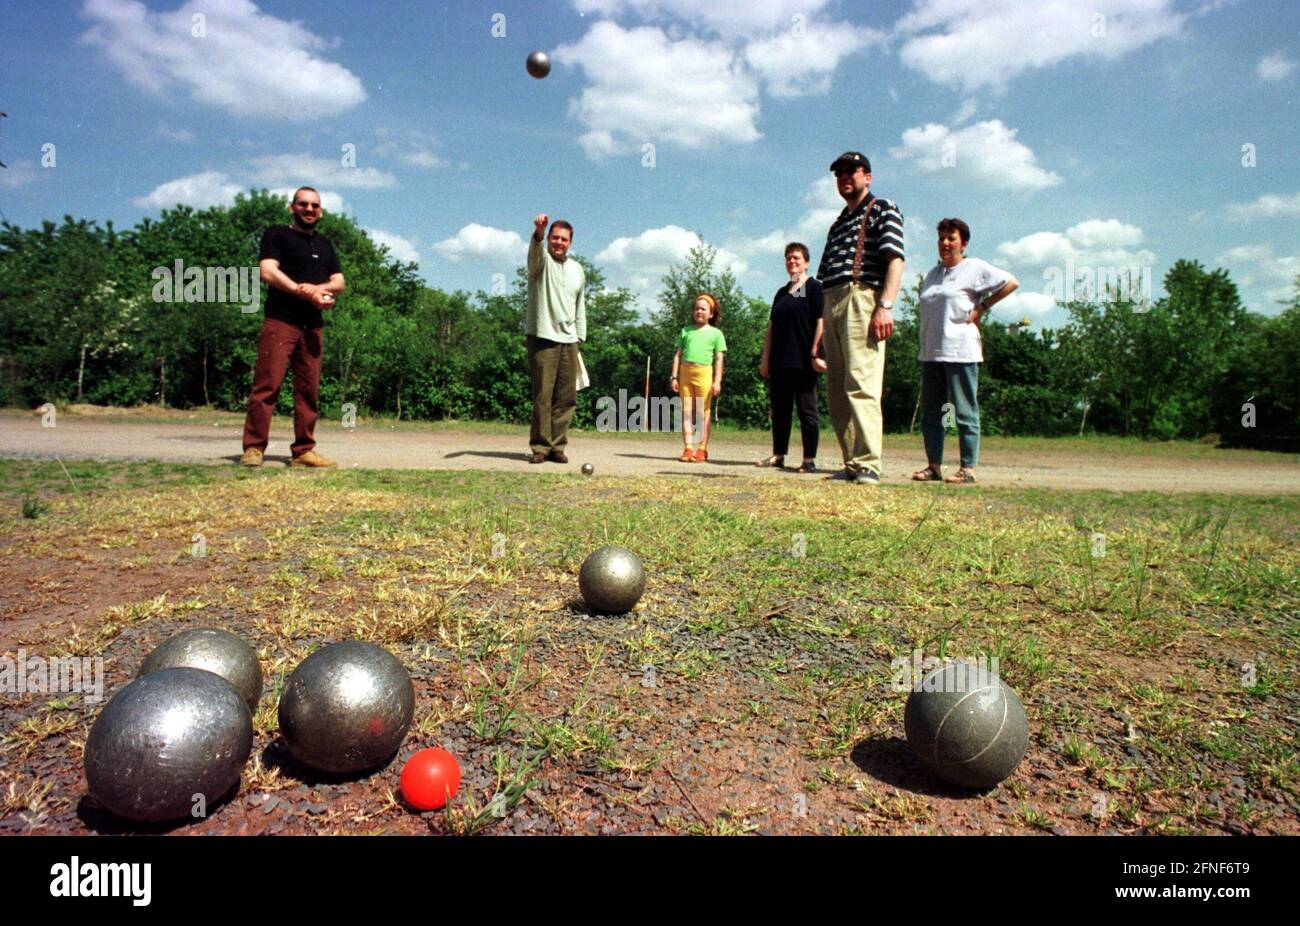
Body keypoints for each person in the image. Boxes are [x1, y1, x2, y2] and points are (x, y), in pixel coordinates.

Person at [815, 151, 905, 485]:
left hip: (862, 297)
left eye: (852, 171)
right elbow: (824, 277)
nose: (845, 178)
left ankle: (869, 462)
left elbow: (895, 260)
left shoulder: (882, 208)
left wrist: (886, 305)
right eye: (839, 173)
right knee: (837, 388)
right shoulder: (838, 224)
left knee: (861, 382)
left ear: (868, 176)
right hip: (832, 300)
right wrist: (821, 331)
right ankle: (852, 462)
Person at [240, 186, 344, 468]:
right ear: (292, 207)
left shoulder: (324, 245)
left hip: (312, 326)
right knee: (267, 386)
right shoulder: (277, 234)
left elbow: (339, 282)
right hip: (280, 321)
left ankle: (303, 451)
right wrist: (303, 292)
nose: (309, 210)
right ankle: (253, 448)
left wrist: (317, 290)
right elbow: (268, 272)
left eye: (314, 206)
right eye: (303, 204)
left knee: (308, 390)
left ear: (320, 211)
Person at [912, 218, 1019, 484]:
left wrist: (982, 307)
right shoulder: (933, 275)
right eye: (942, 239)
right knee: (932, 412)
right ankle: (933, 466)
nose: (946, 243)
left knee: (964, 409)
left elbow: (1011, 282)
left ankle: (968, 468)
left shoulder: (974, 268)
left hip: (961, 349)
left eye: (952, 238)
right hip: (932, 352)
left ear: (964, 243)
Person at [758, 243, 825, 473]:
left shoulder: (814, 288)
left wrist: (816, 351)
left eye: (796, 258)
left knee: (807, 411)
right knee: (780, 410)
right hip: (780, 362)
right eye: (788, 258)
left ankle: (808, 459)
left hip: (804, 361)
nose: (792, 262)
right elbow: (771, 327)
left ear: (806, 262)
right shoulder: (781, 292)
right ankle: (779, 455)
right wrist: (765, 359)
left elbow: (821, 321)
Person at [526, 213, 586, 464]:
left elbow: (580, 304)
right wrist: (538, 234)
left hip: (569, 339)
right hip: (543, 335)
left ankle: (557, 447)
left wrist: (580, 336)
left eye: (564, 239)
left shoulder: (577, 269)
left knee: (566, 397)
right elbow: (534, 254)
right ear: (549, 239)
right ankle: (541, 447)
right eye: (554, 238)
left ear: (570, 242)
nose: (559, 242)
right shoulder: (541, 263)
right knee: (543, 395)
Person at [670, 293, 726, 462]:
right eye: (696, 308)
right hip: (685, 373)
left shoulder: (716, 334)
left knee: (703, 412)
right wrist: (674, 377)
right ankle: (688, 448)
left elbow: (719, 359)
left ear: (711, 313)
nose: (699, 311)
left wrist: (717, 381)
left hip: (704, 374)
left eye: (703, 309)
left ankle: (702, 449)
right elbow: (677, 356)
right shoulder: (685, 331)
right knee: (687, 412)